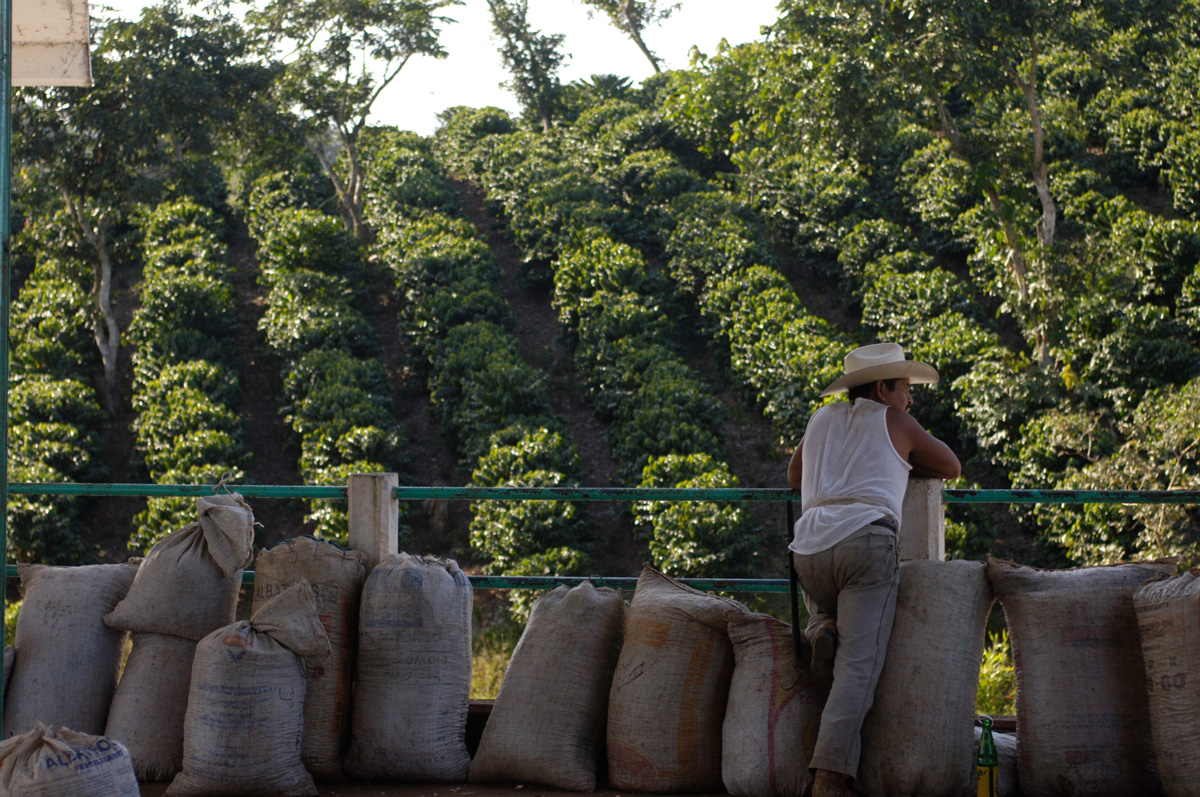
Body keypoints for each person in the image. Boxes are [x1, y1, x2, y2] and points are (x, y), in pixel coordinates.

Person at [786, 342, 961, 797]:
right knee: (857, 668)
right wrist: (902, 453)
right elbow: (949, 465)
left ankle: (822, 624)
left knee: (831, 617)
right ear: (882, 388)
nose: (910, 399)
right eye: (905, 388)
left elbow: (793, 476)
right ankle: (829, 777)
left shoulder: (821, 419)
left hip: (809, 547)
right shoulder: (895, 420)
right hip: (865, 541)